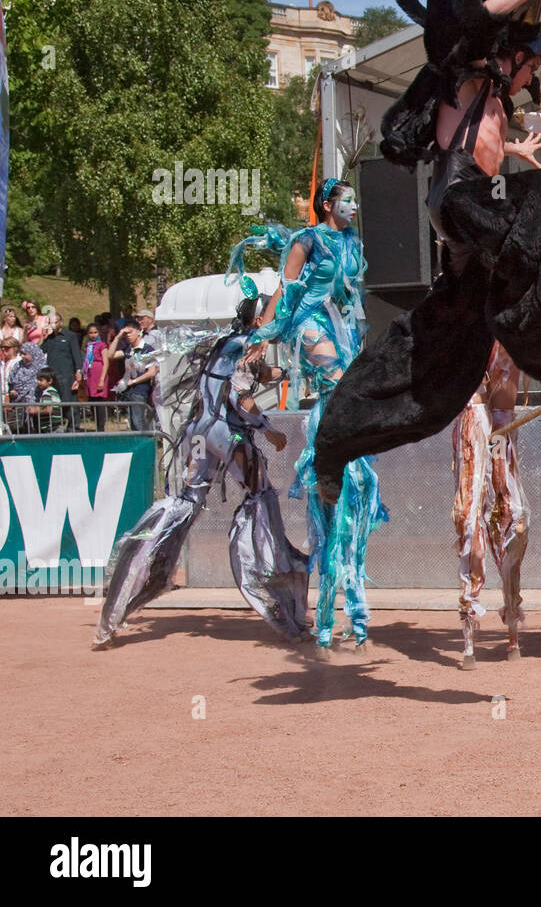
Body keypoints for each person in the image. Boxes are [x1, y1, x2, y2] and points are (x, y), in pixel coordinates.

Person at [309, 0, 541, 505]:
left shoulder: (495, 103)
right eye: (531, 67)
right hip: (464, 204)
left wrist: (514, 154)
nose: (531, 80)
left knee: (446, 363)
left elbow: (485, 155)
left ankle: (335, 449)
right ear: (511, 54)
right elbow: (455, 21)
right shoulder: (463, 78)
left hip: (474, 225)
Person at [94, 290, 308, 647]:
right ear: (258, 321)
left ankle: (117, 608)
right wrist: (269, 430)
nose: (278, 322)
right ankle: (280, 609)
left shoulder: (230, 342)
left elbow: (257, 373)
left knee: (183, 502)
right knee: (262, 499)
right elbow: (240, 395)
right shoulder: (246, 344)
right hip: (227, 433)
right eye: (272, 316)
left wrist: (288, 369)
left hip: (199, 432)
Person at [235, 182, 387, 654]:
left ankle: (344, 618)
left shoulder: (354, 243)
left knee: (352, 503)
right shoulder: (308, 240)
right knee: (339, 387)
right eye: (346, 199)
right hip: (310, 324)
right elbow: (286, 289)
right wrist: (262, 336)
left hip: (344, 330)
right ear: (327, 205)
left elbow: (352, 298)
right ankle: (330, 621)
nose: (355, 205)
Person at [451, 344, 530, 669]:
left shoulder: (506, 339)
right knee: (470, 524)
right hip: (471, 424)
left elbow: (505, 395)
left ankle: (512, 625)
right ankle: (469, 632)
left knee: (514, 518)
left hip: (499, 429)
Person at [107, 320, 158, 432]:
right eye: (126, 334)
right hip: (129, 391)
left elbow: (151, 372)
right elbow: (110, 355)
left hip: (140, 390)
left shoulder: (147, 349)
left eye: (130, 332)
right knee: (132, 422)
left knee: (138, 421)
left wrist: (134, 381)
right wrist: (117, 338)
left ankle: (145, 445)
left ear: (139, 332)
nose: (128, 335)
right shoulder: (128, 349)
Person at [41, 313, 82, 421]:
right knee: (56, 400)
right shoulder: (49, 338)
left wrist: (79, 371)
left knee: (69, 401)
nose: (53, 325)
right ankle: (58, 423)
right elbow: (40, 351)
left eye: (55, 322)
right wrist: (43, 336)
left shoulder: (70, 336)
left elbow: (76, 354)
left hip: (67, 374)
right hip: (53, 375)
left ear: (60, 323)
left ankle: (74, 426)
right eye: (50, 322)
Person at [28, 368, 63, 433]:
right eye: (38, 380)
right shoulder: (53, 392)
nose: (38, 382)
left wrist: (34, 411)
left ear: (50, 381)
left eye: (41, 380)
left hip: (51, 426)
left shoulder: (48, 393)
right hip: (53, 425)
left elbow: (48, 409)